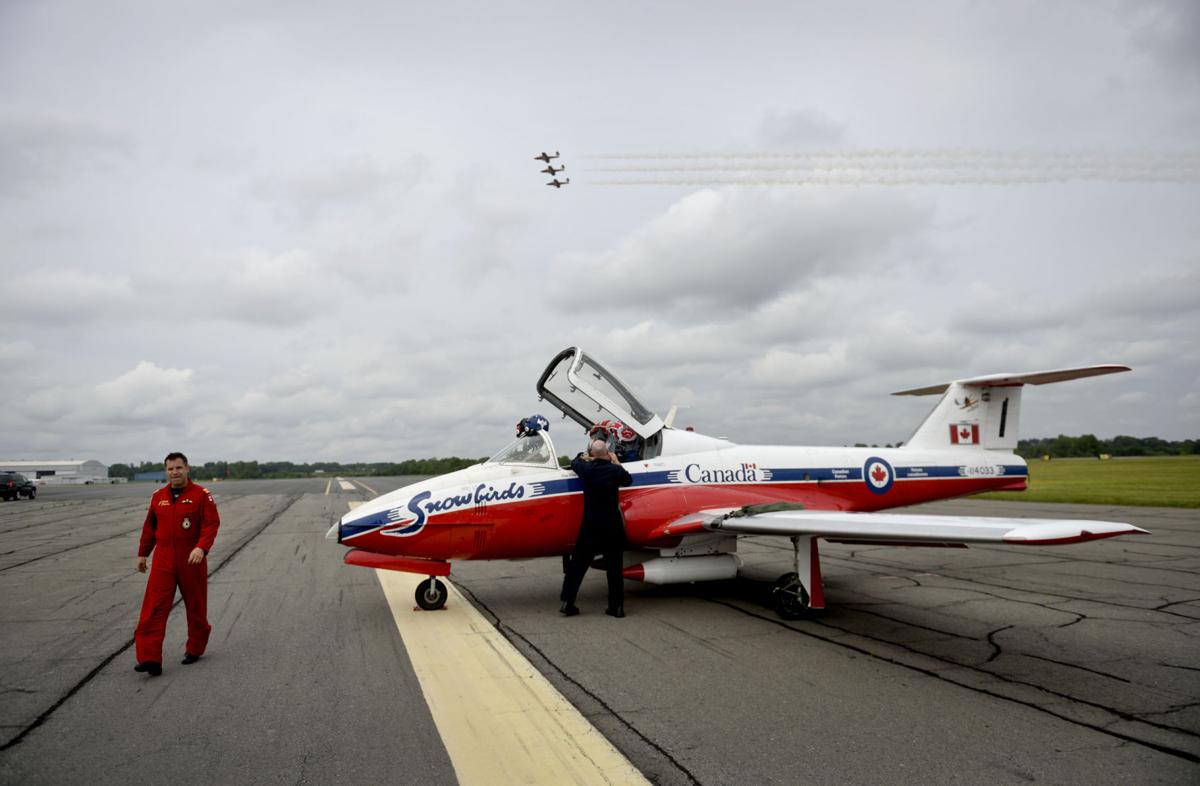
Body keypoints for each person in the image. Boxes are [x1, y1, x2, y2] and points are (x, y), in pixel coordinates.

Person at [133, 452, 220, 676]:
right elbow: (149, 527)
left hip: (191, 558)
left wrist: (201, 547)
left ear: (187, 468)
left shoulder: (202, 495)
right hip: (163, 559)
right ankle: (150, 658)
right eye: (170, 469)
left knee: (196, 606)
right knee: (154, 607)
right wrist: (143, 553)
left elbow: (211, 524)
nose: (174, 472)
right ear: (166, 471)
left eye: (179, 468)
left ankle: (195, 647)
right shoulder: (158, 497)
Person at [559, 439, 633, 618]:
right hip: (612, 525)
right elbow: (628, 480)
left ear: (592, 455)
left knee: (577, 565)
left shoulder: (587, 469)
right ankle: (616, 608)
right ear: (608, 454)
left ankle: (567, 602)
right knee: (615, 567)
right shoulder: (615, 471)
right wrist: (615, 461)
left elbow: (576, 461)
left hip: (591, 525)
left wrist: (586, 458)